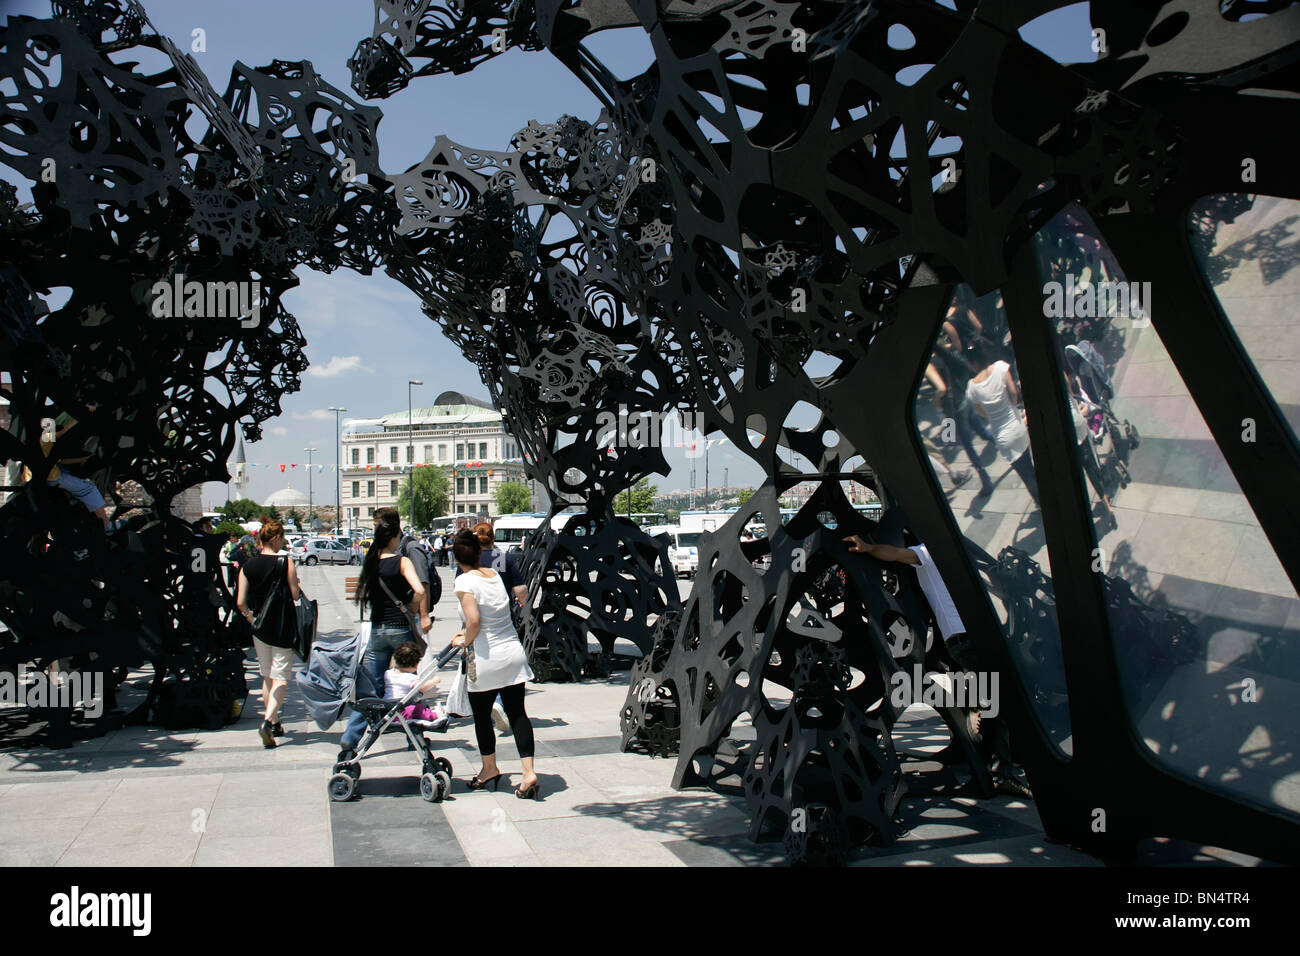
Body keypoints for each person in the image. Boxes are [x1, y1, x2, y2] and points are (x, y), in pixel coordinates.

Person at [450, 529, 538, 798]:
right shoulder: (494, 576)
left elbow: (474, 621)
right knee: (518, 713)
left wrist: (464, 640)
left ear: (457, 558)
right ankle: (528, 772)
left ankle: (489, 768)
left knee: (481, 716)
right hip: (512, 652)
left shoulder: (464, 581)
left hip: (485, 657)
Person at [337, 511, 430, 761]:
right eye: (398, 536)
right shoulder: (402, 562)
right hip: (400, 629)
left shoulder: (371, 562)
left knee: (373, 687)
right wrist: (413, 608)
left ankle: (352, 735)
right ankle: (414, 734)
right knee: (409, 684)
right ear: (392, 539)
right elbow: (420, 589)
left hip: (377, 630)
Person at [235, 517, 302, 748]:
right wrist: (295, 582)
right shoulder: (285, 562)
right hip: (282, 626)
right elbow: (295, 595)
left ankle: (274, 722)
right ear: (275, 538)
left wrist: (251, 618)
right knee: (281, 678)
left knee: (267, 675)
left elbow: (240, 602)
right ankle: (267, 721)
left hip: (260, 627)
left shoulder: (248, 566)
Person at [965, 338, 1040, 505]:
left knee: (1025, 474)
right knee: (1031, 465)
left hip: (1002, 435)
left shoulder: (972, 387)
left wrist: (993, 413)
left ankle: (1040, 501)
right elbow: (1013, 394)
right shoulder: (1000, 368)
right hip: (1017, 425)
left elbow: (981, 413)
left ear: (973, 362)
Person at [385, 641, 445, 724]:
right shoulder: (411, 678)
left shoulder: (388, 673)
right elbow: (421, 688)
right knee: (418, 709)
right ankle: (435, 715)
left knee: (416, 707)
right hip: (403, 710)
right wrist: (434, 681)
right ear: (416, 664)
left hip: (388, 708)